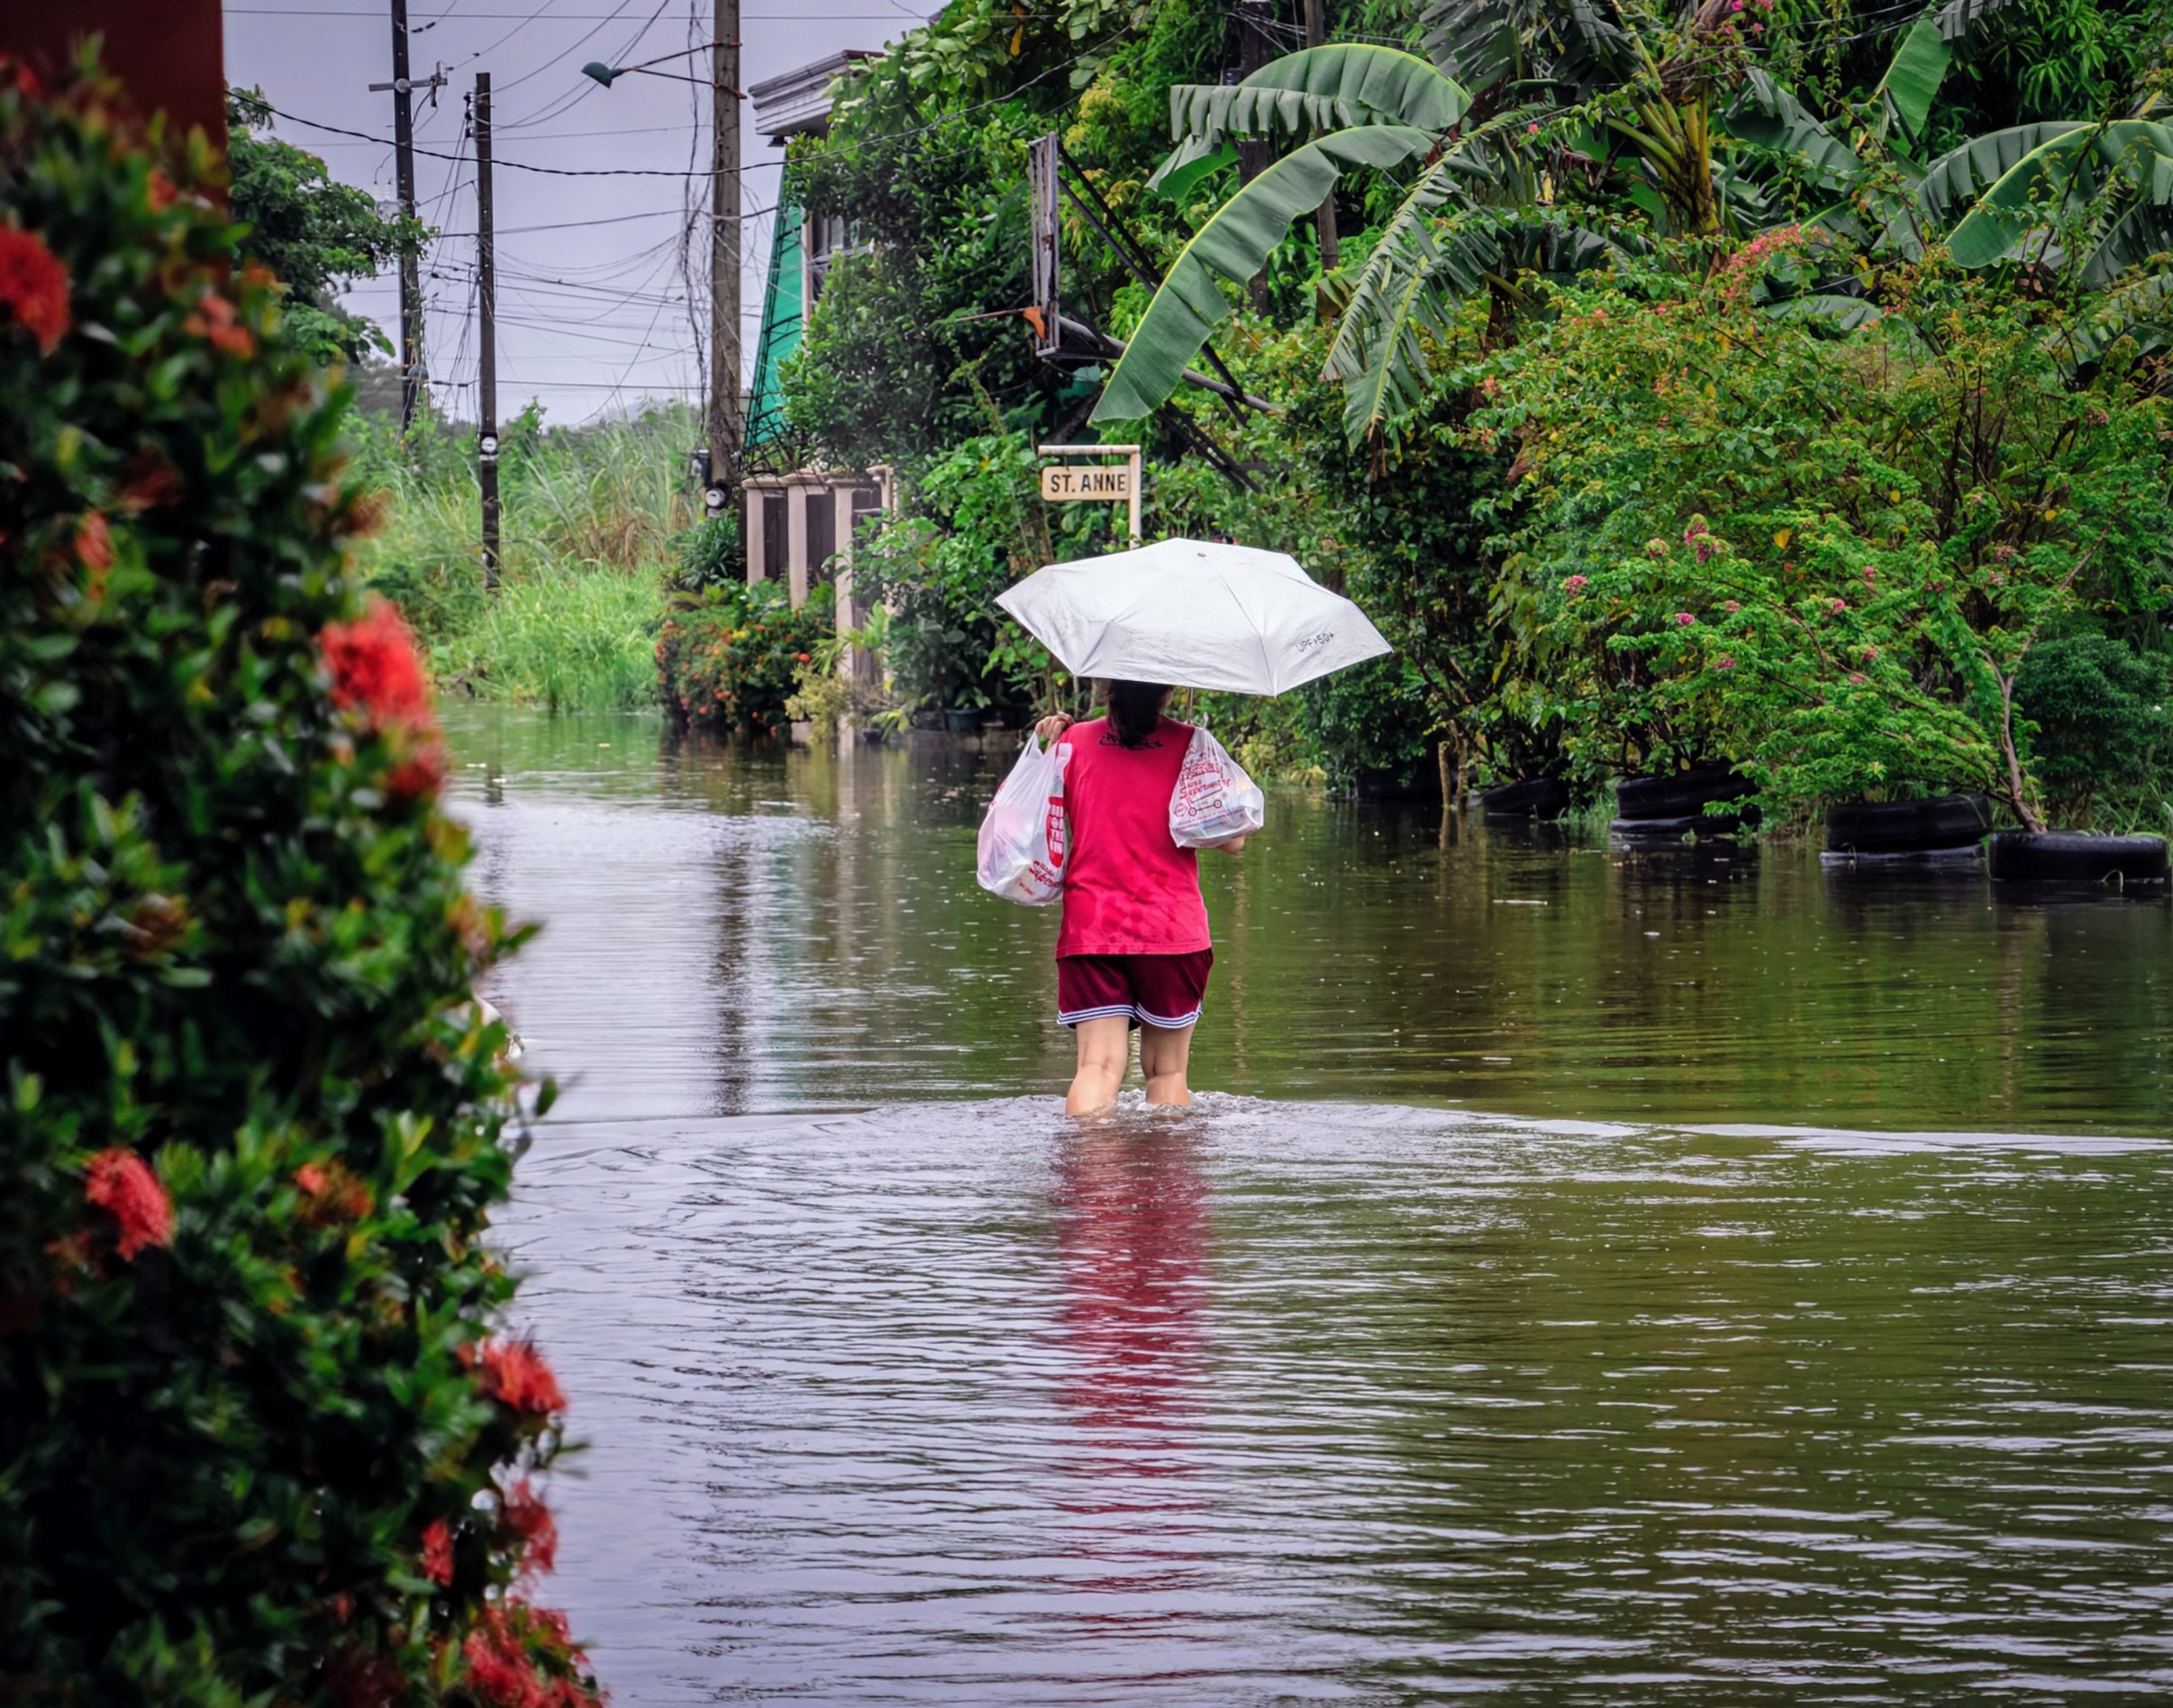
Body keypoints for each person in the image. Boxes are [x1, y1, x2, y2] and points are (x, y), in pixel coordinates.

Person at [1034, 681, 1247, 1116]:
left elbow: (1036, 815)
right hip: (1172, 933)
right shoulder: (1191, 746)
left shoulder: (1072, 741)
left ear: (1107, 687)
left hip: (1091, 932)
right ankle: (1165, 1181)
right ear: (1168, 692)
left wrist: (1049, 746)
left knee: (1097, 1067)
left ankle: (1090, 1176)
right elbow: (1233, 842)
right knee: (1166, 1074)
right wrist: (1199, 767)